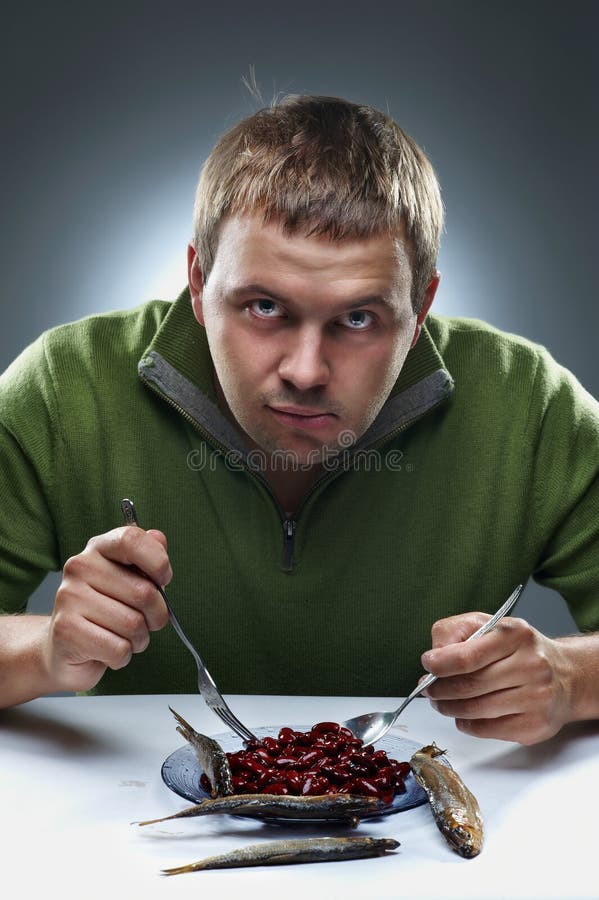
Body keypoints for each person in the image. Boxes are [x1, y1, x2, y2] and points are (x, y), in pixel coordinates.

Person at [0, 95, 598, 746]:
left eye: (358, 319)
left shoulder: (530, 403)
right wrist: (46, 651)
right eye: (264, 307)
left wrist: (572, 679)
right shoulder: (65, 384)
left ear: (420, 306)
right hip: (119, 806)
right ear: (198, 281)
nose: (306, 372)